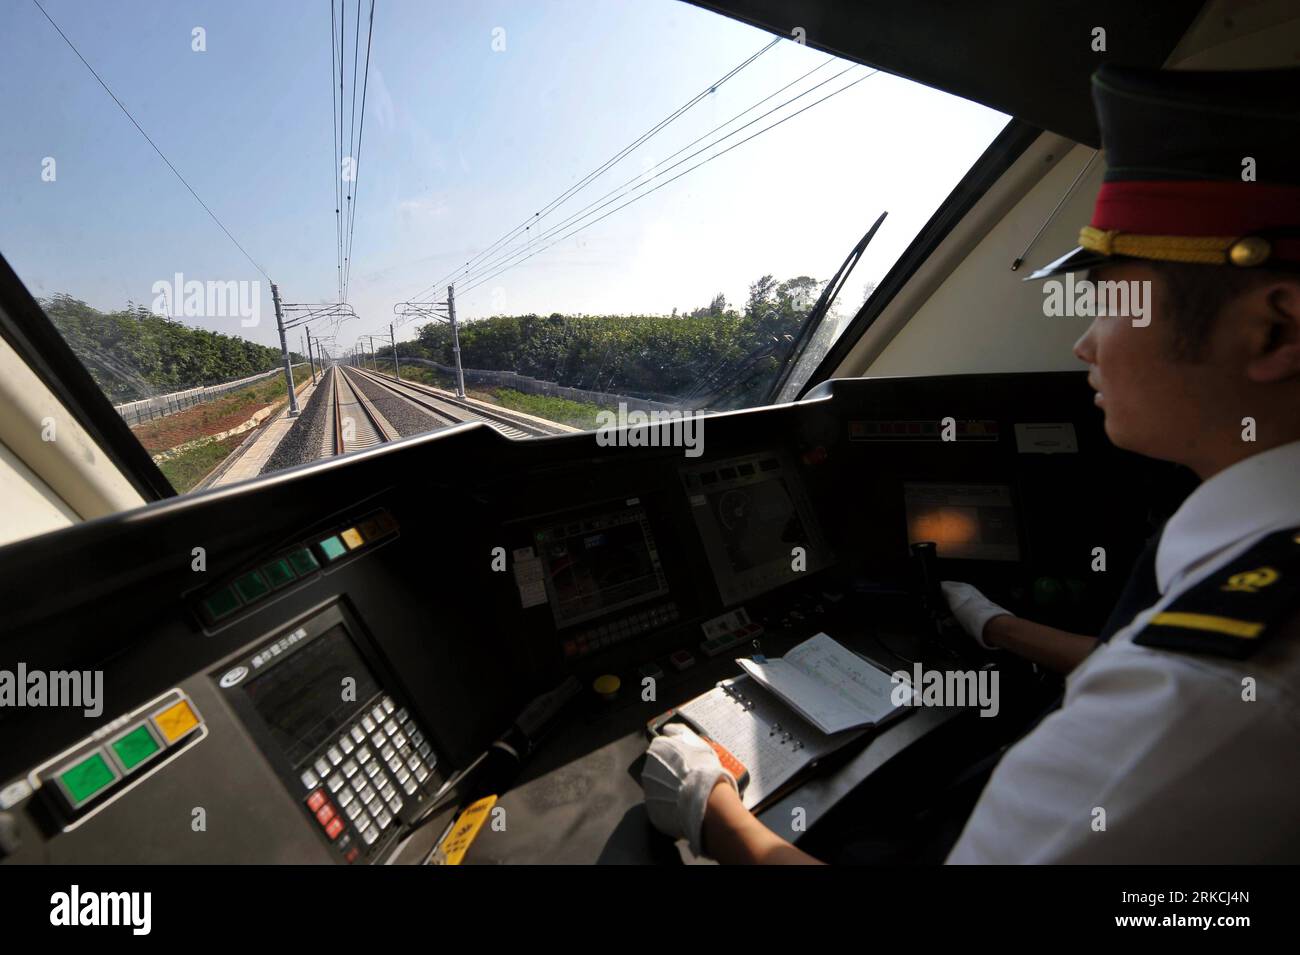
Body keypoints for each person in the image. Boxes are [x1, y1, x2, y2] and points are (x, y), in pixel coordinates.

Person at [640, 63, 1300, 864]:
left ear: (1274, 331)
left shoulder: (1199, 695)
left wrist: (711, 809)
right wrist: (998, 625)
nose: (1083, 341)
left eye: (1111, 301)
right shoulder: (1236, 605)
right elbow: (1136, 652)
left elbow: (1163, 678)